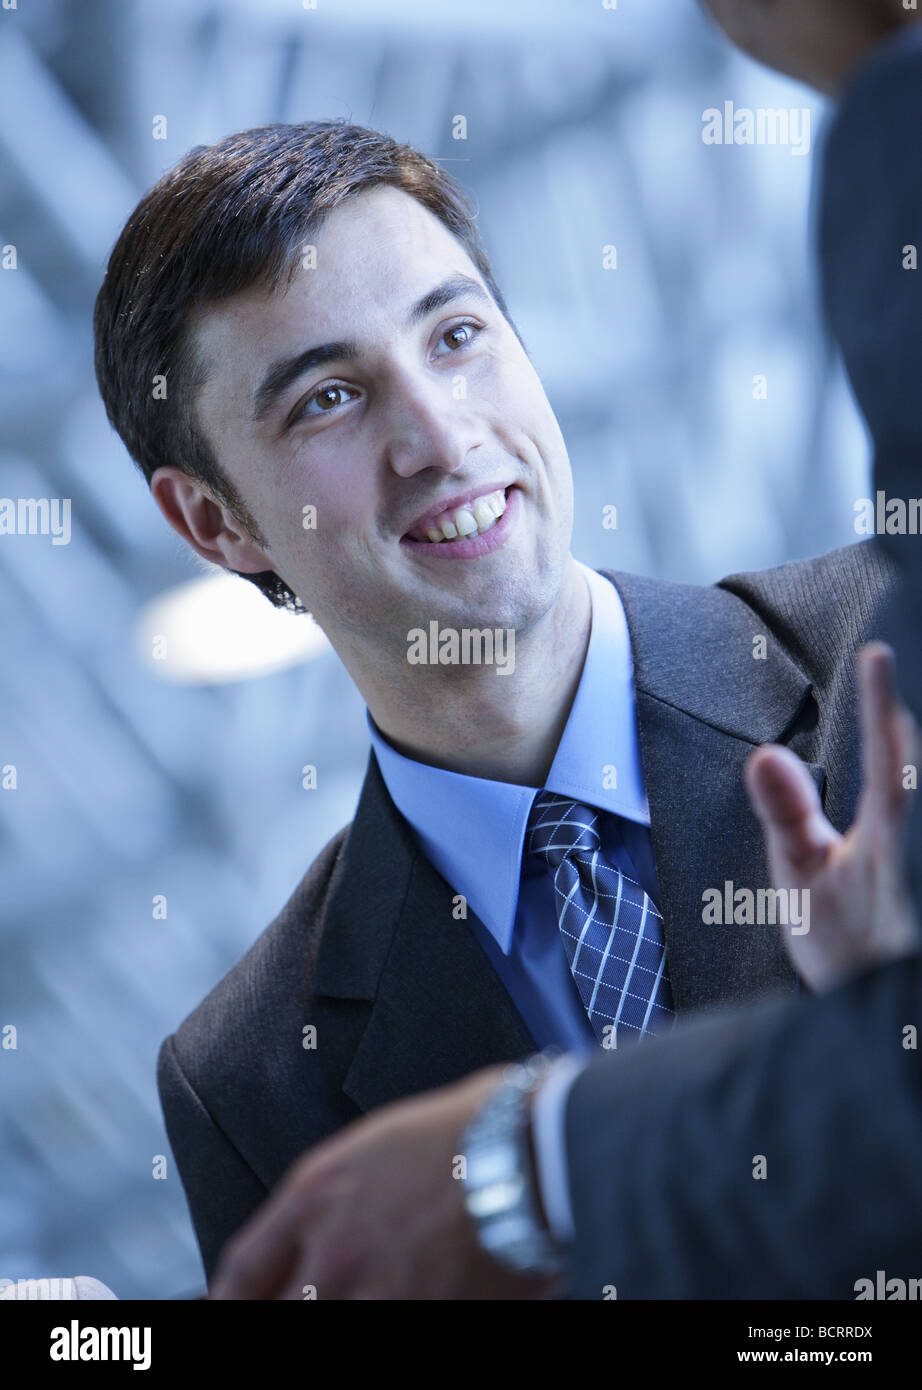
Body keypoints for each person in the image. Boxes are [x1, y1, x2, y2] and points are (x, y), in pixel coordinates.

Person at [91, 9, 906, 1285]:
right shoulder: (247, 1075)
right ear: (218, 520)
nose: (439, 434)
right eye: (330, 397)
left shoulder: (885, 664)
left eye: (457, 335)